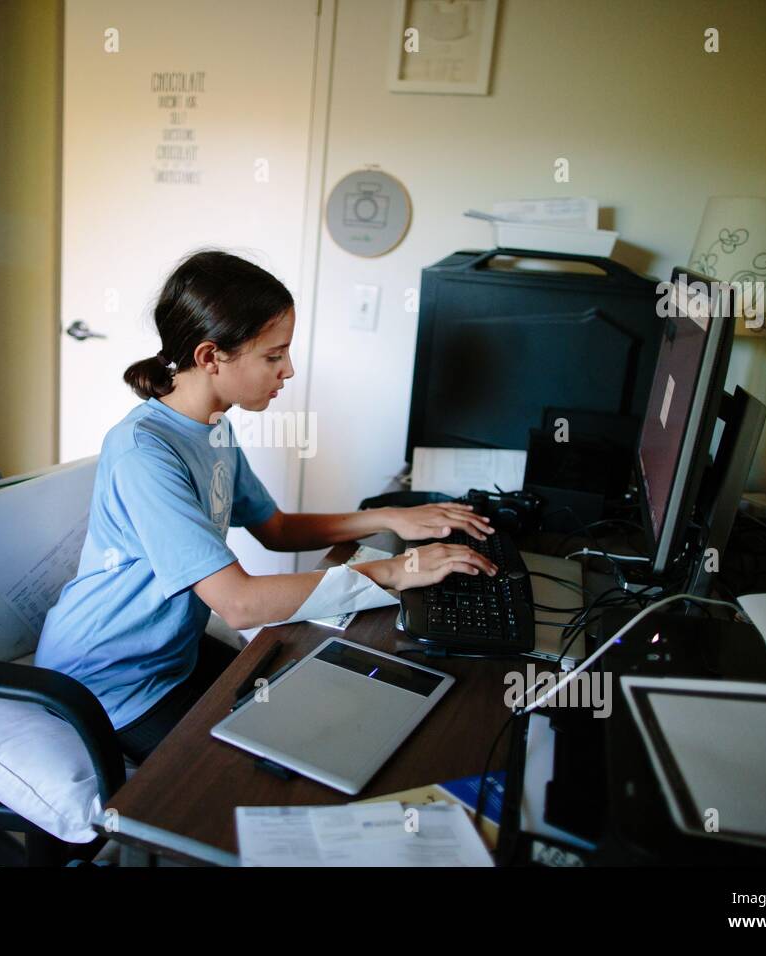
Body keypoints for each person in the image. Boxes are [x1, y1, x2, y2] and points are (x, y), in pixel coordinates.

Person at [34, 249, 496, 762]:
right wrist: (396, 569)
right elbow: (238, 602)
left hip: (168, 658)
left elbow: (274, 528)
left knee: (314, 707)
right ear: (211, 357)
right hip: (107, 682)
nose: (289, 370)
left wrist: (388, 517)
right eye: (274, 356)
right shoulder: (145, 453)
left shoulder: (215, 427)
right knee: (253, 767)